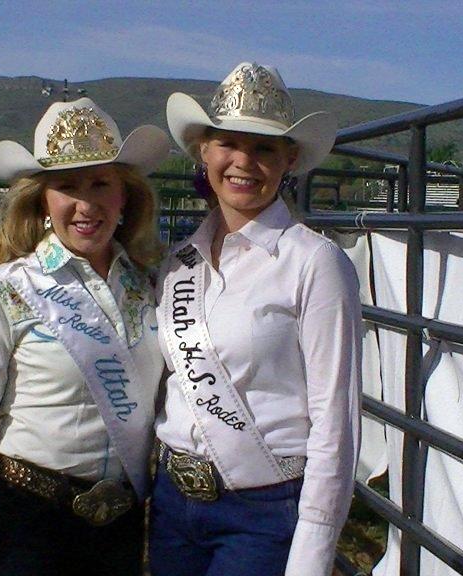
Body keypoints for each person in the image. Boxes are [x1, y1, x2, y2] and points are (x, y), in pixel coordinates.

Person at [0, 97, 169, 576]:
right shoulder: (2, 294)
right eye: (67, 186)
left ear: (124, 195)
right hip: (29, 522)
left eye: (101, 183)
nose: (86, 204)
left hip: (121, 524)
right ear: (43, 199)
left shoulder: (152, 288)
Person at [151, 62, 363, 576]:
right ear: (204, 150)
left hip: (262, 511)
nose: (243, 161)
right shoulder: (177, 260)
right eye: (228, 143)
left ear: (289, 159)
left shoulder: (316, 263)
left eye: (264, 147)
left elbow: (336, 422)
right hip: (172, 503)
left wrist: (312, 554)